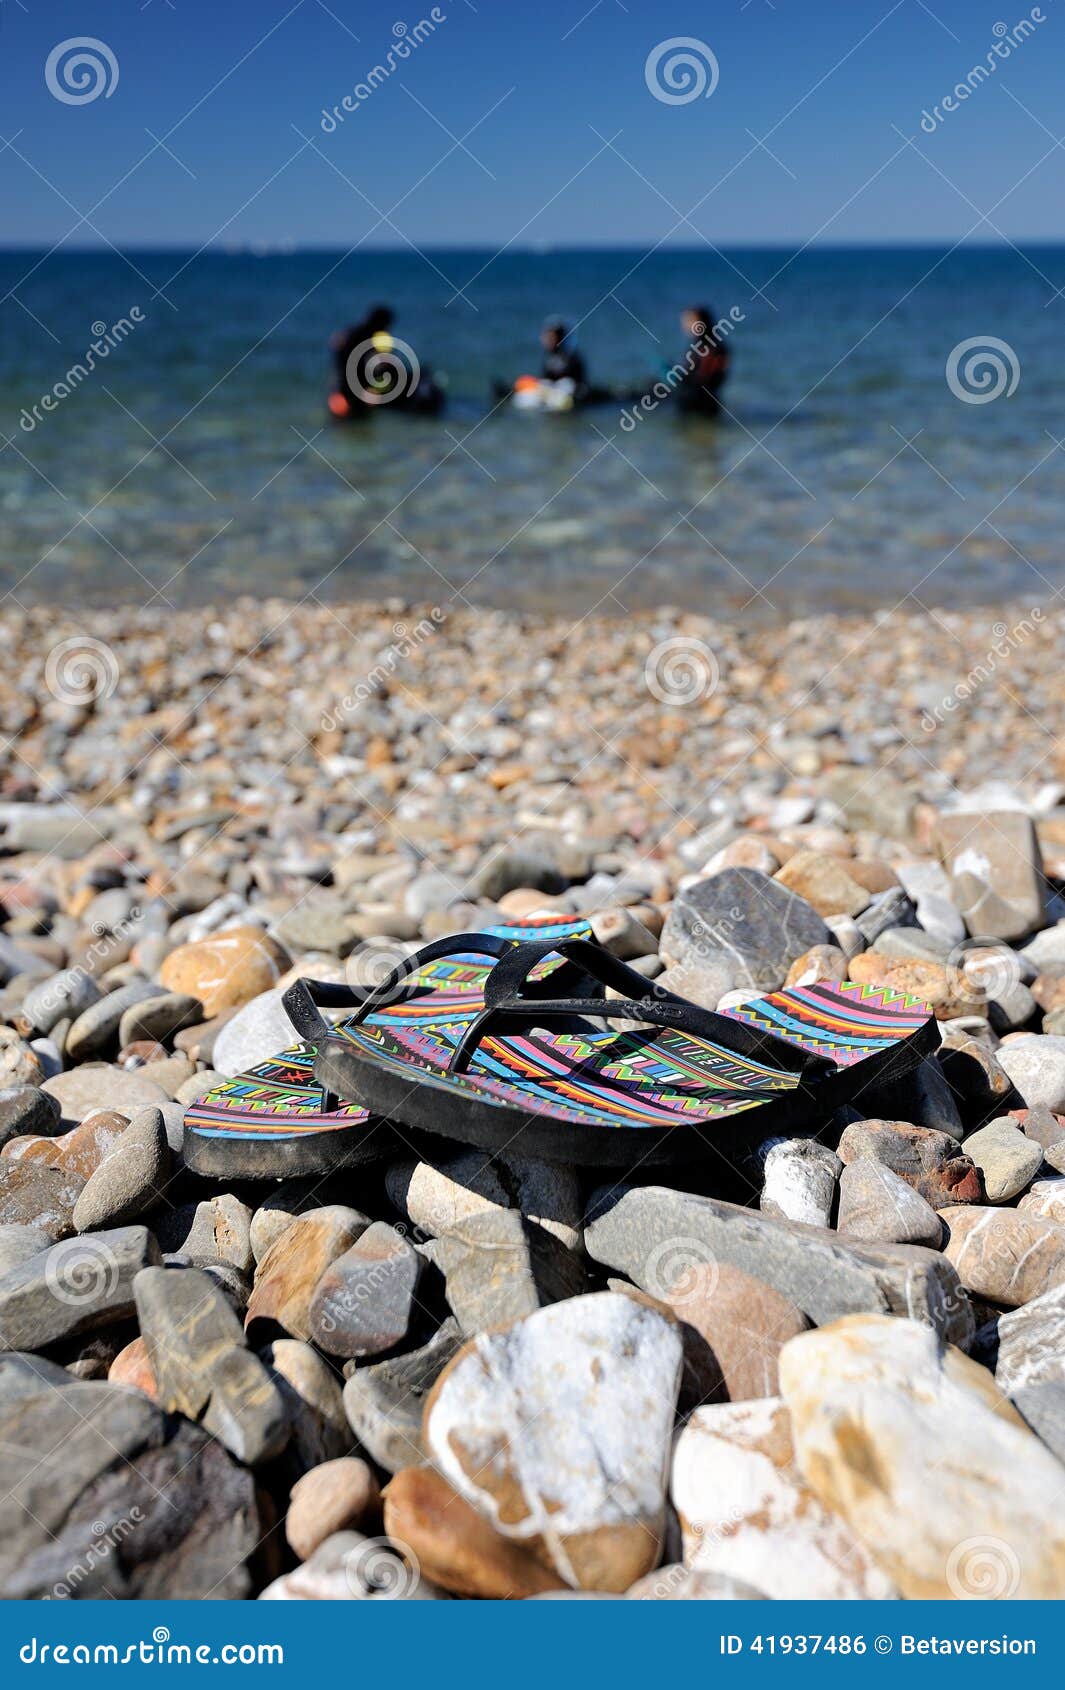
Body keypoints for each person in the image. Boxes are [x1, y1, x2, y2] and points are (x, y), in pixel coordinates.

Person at [328, 304, 443, 419]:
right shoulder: (365, 337)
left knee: (352, 429)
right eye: (386, 324)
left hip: (344, 391)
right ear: (381, 322)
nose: (387, 328)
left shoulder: (352, 334)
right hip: (346, 394)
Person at [671, 305, 729, 416]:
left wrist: (678, 377)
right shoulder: (707, 344)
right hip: (706, 401)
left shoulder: (709, 347)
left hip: (698, 402)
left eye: (688, 321)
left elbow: (704, 379)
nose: (684, 325)